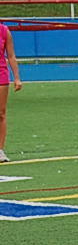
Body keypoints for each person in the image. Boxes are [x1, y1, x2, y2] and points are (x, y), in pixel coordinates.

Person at [0, 19, 21, 162]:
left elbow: (11, 55)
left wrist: (17, 78)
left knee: (1, 112)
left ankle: (0, 150)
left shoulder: (4, 31)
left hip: (1, 74)